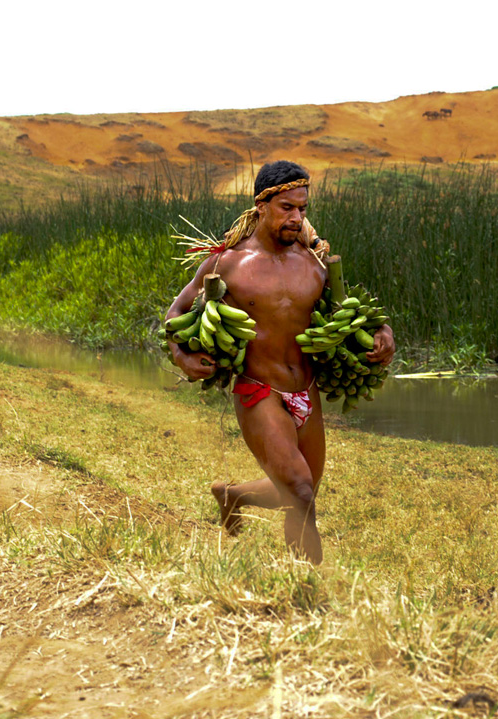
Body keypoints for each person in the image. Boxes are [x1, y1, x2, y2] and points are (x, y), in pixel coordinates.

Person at [164, 161, 395, 564]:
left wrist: (384, 332)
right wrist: (183, 357)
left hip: (307, 390)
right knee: (300, 491)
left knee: (300, 490)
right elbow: (175, 313)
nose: (297, 217)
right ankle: (308, 587)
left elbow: (351, 311)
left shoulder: (315, 262)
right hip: (260, 390)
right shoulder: (227, 264)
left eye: (303, 209)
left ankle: (232, 494)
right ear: (262, 205)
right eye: (287, 207)